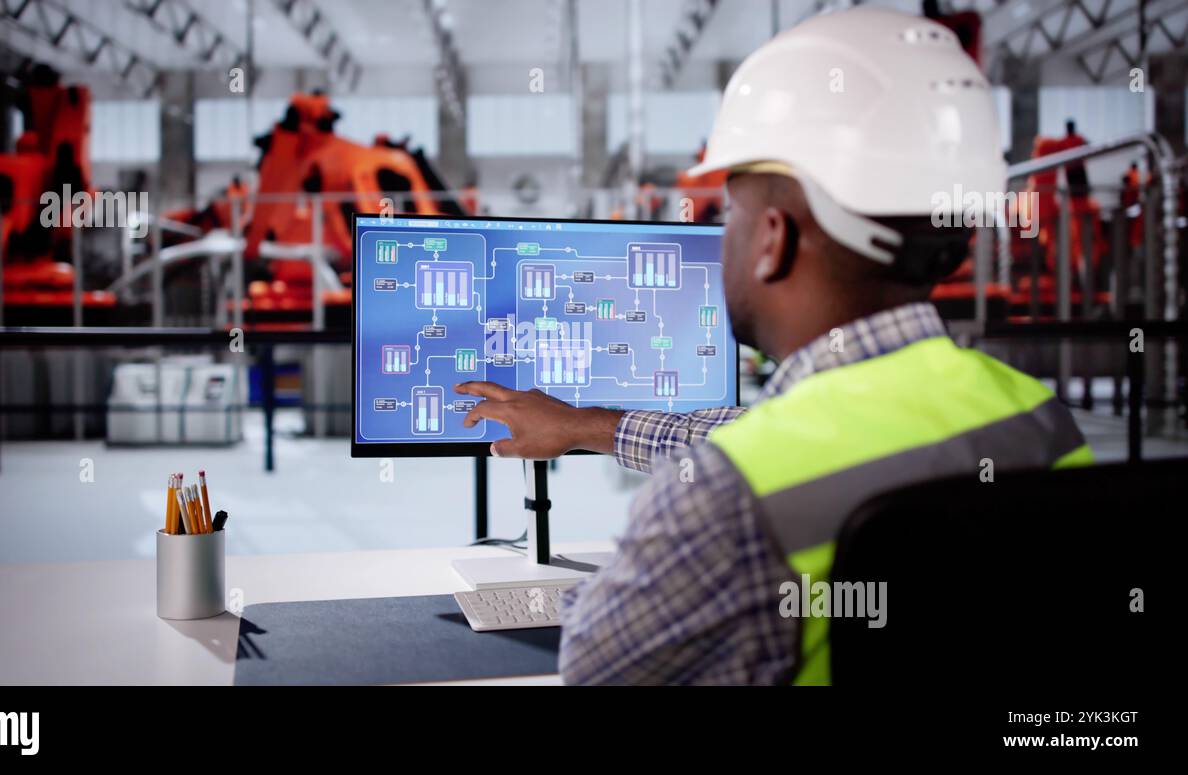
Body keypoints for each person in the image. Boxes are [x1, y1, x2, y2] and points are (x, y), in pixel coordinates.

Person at [455, 7, 1093, 685]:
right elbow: (776, 436)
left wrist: (618, 575)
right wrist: (584, 425)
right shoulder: (1037, 419)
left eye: (731, 212)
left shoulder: (727, 501)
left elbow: (593, 665)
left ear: (773, 239)